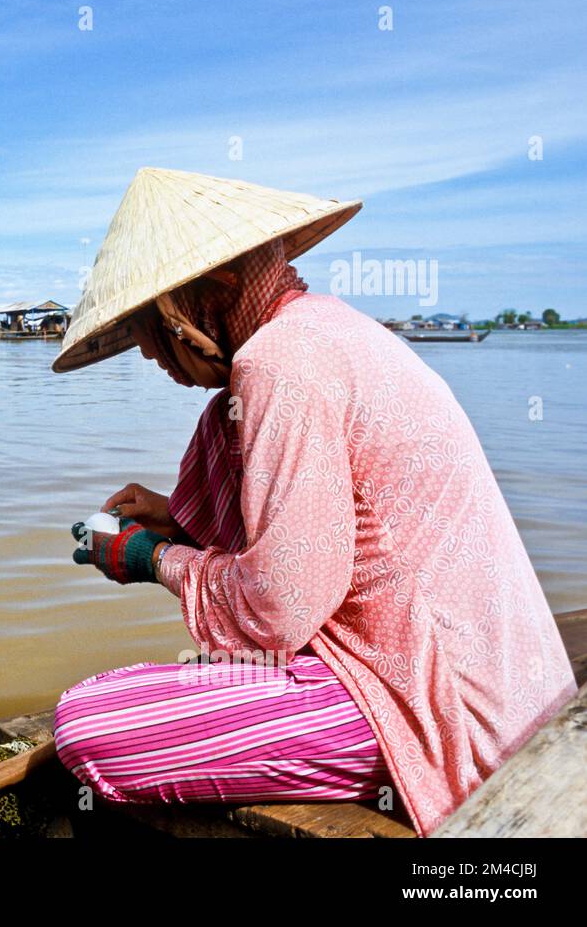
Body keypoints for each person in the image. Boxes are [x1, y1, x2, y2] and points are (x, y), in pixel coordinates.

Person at [51, 168, 576, 837]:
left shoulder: (280, 362)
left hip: (435, 705)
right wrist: (179, 521)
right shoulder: (328, 330)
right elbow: (326, 532)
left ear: (209, 292)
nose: (153, 355)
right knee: (222, 425)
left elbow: (277, 611)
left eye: (151, 328)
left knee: (90, 722)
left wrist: (154, 557)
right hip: (503, 690)